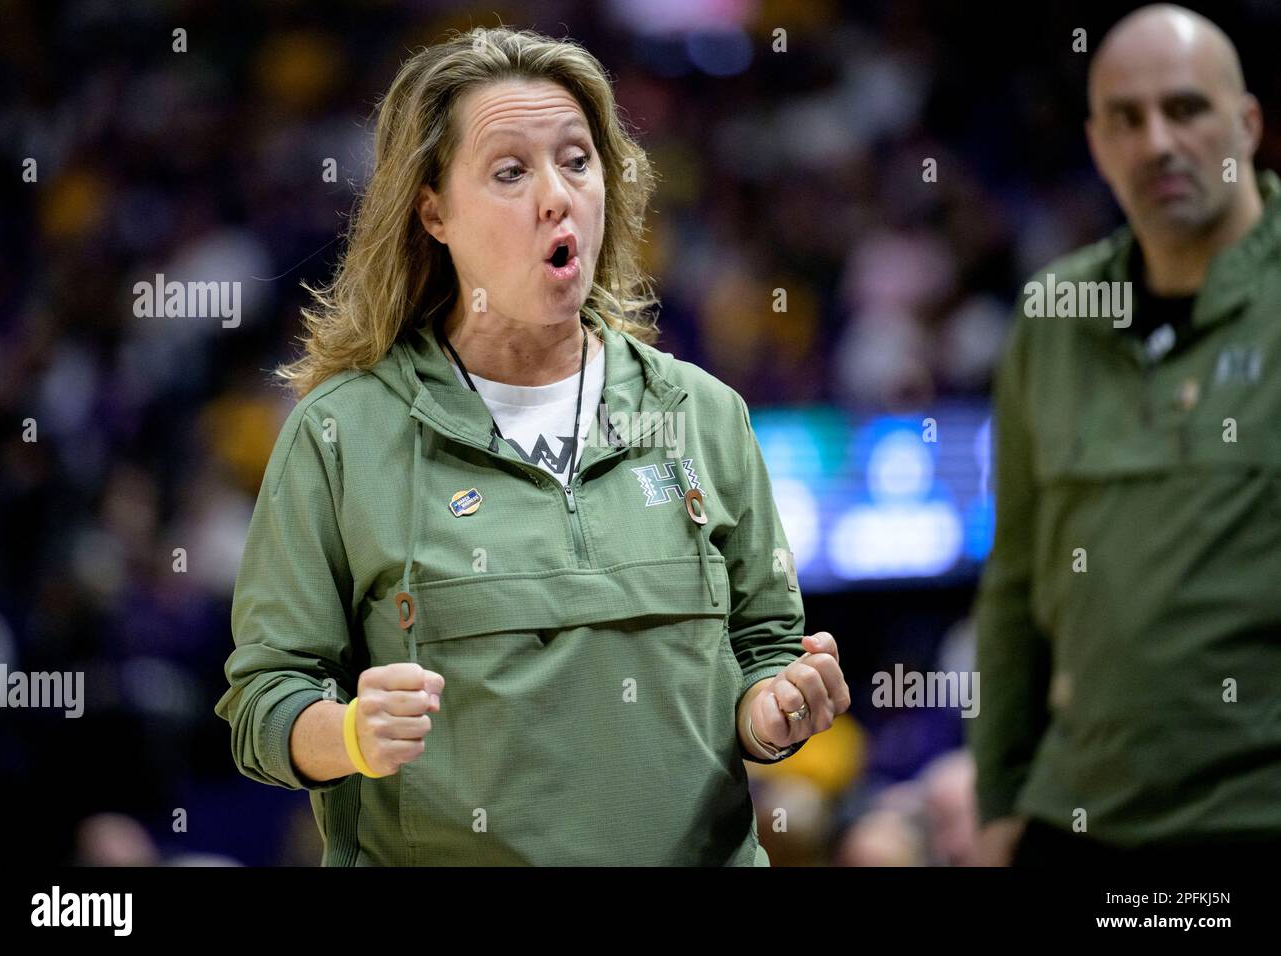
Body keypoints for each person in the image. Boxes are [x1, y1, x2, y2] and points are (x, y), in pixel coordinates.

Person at [214, 26, 850, 866]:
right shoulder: (340, 435)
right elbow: (264, 707)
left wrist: (775, 712)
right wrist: (349, 734)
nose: (557, 195)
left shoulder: (704, 413)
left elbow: (764, 654)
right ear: (431, 209)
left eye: (578, 161)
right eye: (511, 171)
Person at [972, 4, 1281, 867]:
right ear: (1097, 143)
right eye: (1126, 119)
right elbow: (1013, 584)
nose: (1155, 143)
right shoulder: (1051, 316)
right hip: (1080, 823)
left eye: (1185, 110)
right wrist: (998, 805)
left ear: (1247, 124)